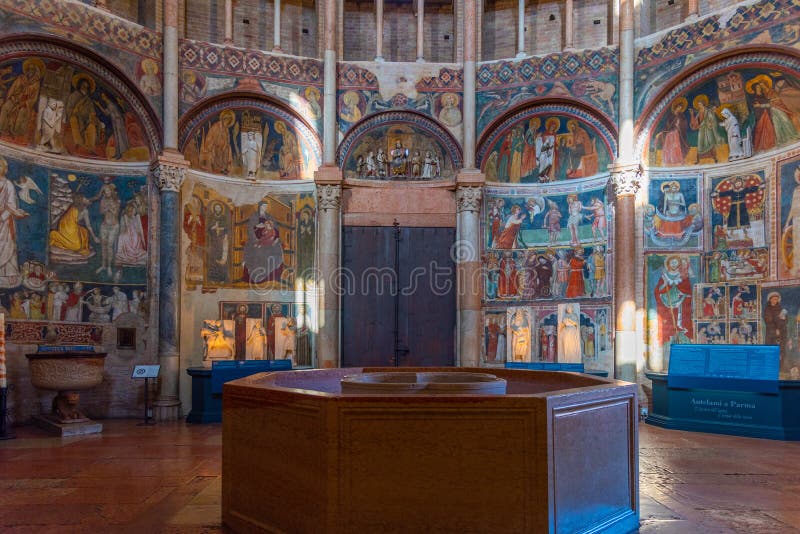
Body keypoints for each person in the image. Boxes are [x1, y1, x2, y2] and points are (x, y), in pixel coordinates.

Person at [0, 156, 28, 287]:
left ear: (5, 169)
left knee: (8, 246)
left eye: (1, 166)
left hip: (5, 221)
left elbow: (11, 204)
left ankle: (10, 273)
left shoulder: (8, 184)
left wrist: (2, 217)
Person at [242, 203, 284, 284]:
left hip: (269, 240)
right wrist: (256, 238)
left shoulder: (269, 217)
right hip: (256, 240)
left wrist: (275, 238)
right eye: (263, 206)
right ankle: (257, 275)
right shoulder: (254, 216)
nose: (265, 208)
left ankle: (271, 276)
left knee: (276, 250)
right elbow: (250, 229)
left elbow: (276, 228)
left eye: (266, 206)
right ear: (259, 207)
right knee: (257, 251)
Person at [658, 98, 689, 165]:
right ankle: (667, 160)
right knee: (668, 146)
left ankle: (678, 160)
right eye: (678, 107)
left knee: (676, 146)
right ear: (676, 107)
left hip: (676, 132)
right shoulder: (670, 115)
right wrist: (672, 126)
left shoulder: (681, 115)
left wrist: (679, 124)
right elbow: (668, 124)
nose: (679, 109)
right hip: (670, 133)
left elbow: (684, 123)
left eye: (681, 108)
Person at [116, 201, 148, 266]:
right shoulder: (126, 216)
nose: (133, 211)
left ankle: (134, 253)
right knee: (123, 237)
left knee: (136, 237)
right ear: (129, 210)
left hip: (135, 232)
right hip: (128, 231)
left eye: (134, 210)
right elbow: (126, 226)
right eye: (131, 210)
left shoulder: (137, 217)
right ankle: (127, 253)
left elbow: (139, 229)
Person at [784, 166, 800, 276]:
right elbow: (792, 208)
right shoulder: (796, 190)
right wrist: (787, 223)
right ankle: (798, 267)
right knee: (796, 244)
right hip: (796, 220)